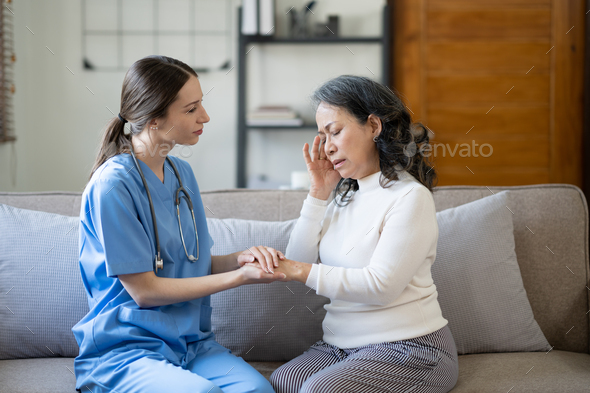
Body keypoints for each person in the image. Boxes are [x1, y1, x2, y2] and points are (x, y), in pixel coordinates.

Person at [72, 55, 285, 393]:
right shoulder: (112, 185)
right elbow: (146, 291)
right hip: (128, 350)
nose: (205, 117)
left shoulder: (181, 174)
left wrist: (241, 258)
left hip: (190, 344)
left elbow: (190, 263)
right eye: (191, 109)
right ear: (154, 119)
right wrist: (238, 277)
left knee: (258, 390)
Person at [269, 75, 459, 393]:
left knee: (320, 390)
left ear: (373, 126)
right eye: (322, 136)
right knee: (284, 381)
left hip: (411, 348)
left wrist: (298, 271)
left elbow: (380, 287)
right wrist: (318, 193)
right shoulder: (344, 196)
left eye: (336, 132)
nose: (327, 147)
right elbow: (297, 259)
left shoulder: (409, 197)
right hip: (340, 346)